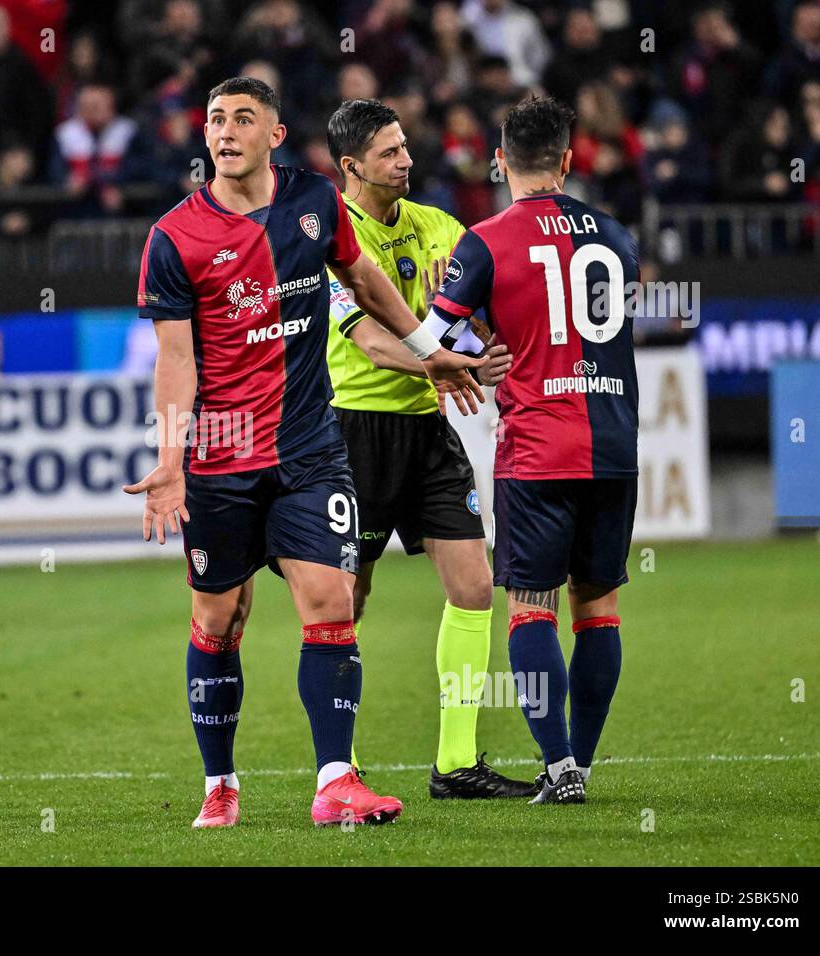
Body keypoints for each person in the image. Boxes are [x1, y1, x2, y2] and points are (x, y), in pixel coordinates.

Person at [126, 76, 486, 829]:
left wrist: (430, 351)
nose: (225, 131)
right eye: (216, 120)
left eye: (243, 119)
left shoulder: (315, 203)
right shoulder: (174, 237)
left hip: (310, 444)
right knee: (220, 620)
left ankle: (334, 781)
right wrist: (169, 457)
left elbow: (364, 277)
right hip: (221, 455)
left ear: (276, 135)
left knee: (328, 602)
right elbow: (176, 359)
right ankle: (220, 782)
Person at [428, 95, 640, 804]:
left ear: (500, 159)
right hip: (612, 441)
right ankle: (581, 760)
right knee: (600, 606)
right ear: (569, 160)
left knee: (529, 607)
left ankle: (556, 769)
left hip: (537, 449)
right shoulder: (615, 235)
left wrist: (476, 343)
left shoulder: (483, 240)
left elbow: (436, 340)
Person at [322, 98, 535, 799]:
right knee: (346, 601)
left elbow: (482, 296)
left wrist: (479, 342)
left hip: (427, 431)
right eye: (389, 152)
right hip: (353, 433)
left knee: (475, 586)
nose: (407, 159)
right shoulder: (326, 237)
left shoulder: (438, 225)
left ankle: (455, 764)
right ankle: (340, 767)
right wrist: (442, 363)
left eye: (406, 146)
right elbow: (370, 340)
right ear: (352, 166)